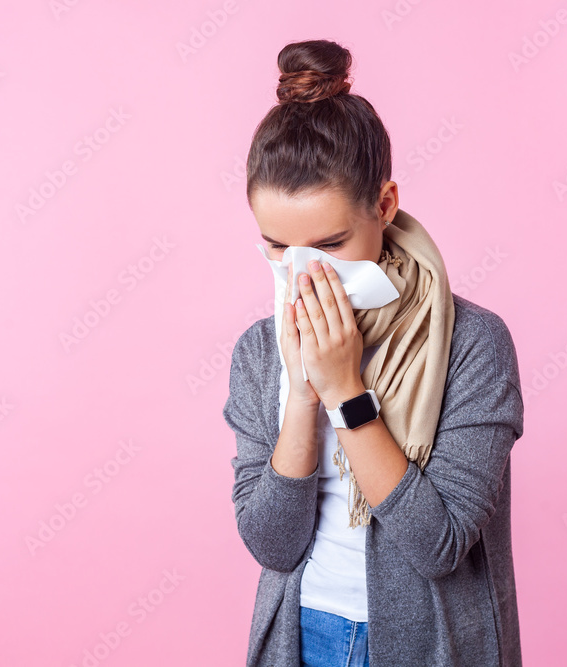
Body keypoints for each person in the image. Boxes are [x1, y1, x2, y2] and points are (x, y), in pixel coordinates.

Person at [223, 38, 525, 667]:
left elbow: (438, 546)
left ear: (384, 206)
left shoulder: (473, 343)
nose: (304, 272)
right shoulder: (260, 352)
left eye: (330, 243)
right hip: (302, 637)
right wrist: (301, 395)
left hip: (429, 644)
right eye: (278, 247)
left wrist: (345, 393)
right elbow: (273, 545)